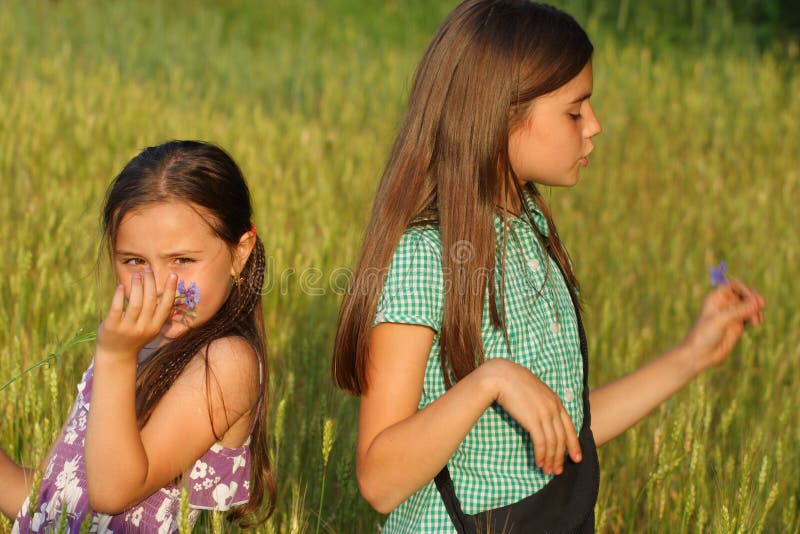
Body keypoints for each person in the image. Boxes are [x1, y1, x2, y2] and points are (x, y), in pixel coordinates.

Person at [331, 1, 765, 532]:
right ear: (499, 114)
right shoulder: (427, 257)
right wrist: (491, 381)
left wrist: (691, 356)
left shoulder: (530, 227)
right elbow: (379, 480)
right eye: (575, 110)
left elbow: (564, 430)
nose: (596, 126)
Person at [0, 140, 276, 532]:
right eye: (135, 262)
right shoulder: (131, 349)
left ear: (240, 252)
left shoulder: (226, 363)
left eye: (182, 260)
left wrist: (114, 357)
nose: (161, 286)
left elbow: (112, 491)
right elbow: (51, 505)